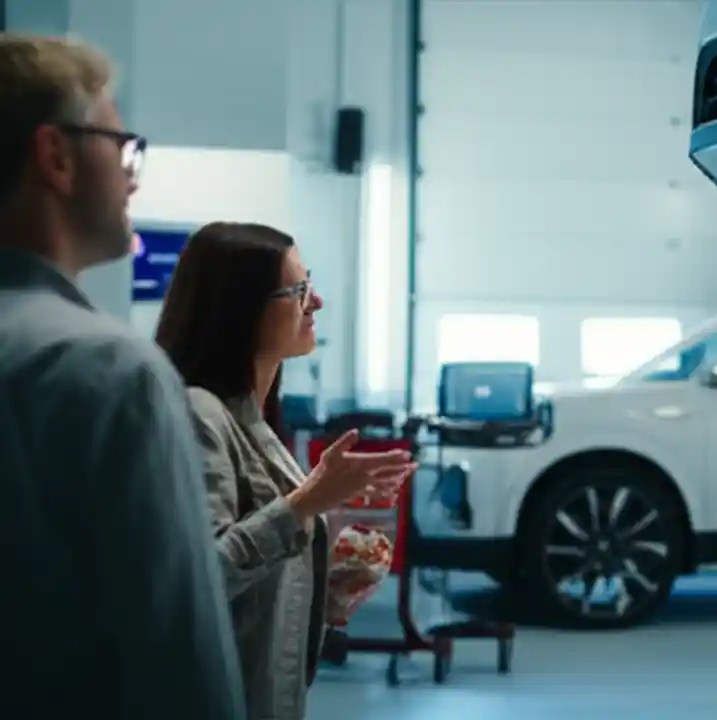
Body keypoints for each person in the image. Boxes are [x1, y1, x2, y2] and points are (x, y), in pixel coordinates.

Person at [0, 34, 246, 718]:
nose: (134, 175)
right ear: (56, 155)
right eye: (121, 145)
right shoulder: (105, 370)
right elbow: (178, 658)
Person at [154, 221, 416, 720]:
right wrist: (306, 503)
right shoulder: (200, 413)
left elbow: (259, 603)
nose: (314, 303)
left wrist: (330, 586)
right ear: (240, 308)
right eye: (298, 290)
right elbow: (201, 577)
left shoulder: (252, 420)